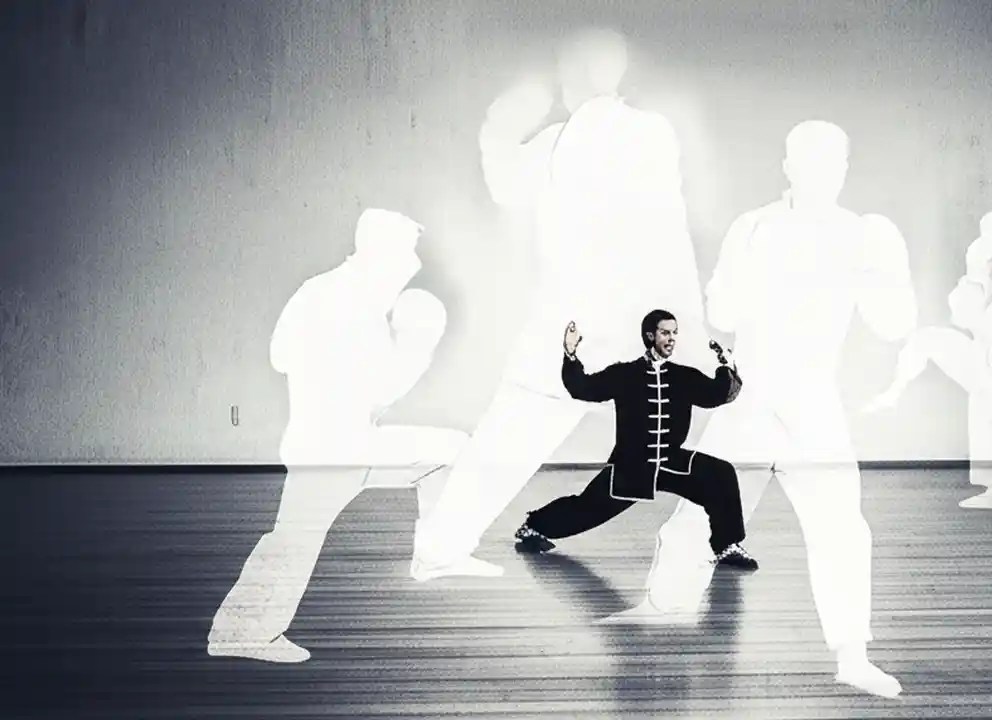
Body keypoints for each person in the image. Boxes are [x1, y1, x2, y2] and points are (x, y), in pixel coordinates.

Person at [600, 121, 915, 699]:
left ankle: (852, 656)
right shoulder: (755, 226)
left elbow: (895, 323)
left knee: (841, 526)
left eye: (834, 162)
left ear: (845, 168)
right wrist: (769, 272)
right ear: (789, 165)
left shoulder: (862, 234)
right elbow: (720, 308)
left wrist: (869, 270)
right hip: (753, 394)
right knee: (699, 510)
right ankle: (660, 607)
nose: (823, 172)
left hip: (813, 399)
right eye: (810, 160)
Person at [409, 27, 716, 580]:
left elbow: (506, 185)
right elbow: (669, 229)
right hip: (630, 329)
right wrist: (686, 327)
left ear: (569, 79)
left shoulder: (558, 142)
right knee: (643, 457)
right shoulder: (646, 133)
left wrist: (497, 131)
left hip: (572, 323)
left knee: (510, 437)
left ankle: (444, 546)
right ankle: (478, 539)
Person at [207, 209, 471, 663]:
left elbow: (279, 356)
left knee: (449, 451)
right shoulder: (352, 303)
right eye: (406, 258)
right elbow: (383, 388)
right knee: (294, 539)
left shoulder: (320, 290)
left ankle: (436, 552)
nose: (409, 270)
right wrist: (417, 344)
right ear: (384, 254)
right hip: (335, 449)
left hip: (336, 443)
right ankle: (239, 633)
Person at [865, 208, 992, 537]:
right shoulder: (980, 272)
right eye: (987, 234)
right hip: (981, 354)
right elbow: (960, 315)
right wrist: (974, 277)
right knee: (983, 423)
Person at [513, 311, 757, 569]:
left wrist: (726, 365)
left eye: (674, 333)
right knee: (587, 508)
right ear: (650, 335)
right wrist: (570, 354)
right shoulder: (624, 374)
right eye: (665, 332)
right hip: (632, 466)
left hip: (673, 462)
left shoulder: (683, 376)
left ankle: (727, 545)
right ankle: (532, 527)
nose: (672, 338)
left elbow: (718, 394)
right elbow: (582, 387)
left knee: (720, 474)